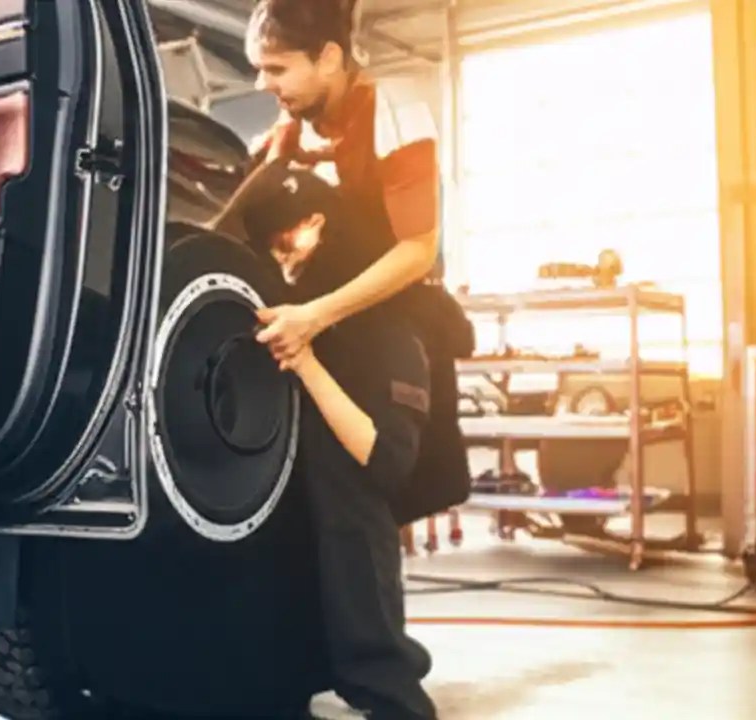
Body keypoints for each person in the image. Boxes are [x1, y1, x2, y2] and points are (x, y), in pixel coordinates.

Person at [219, 1, 475, 717]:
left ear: (330, 57)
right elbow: (243, 215)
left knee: (356, 492)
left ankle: (388, 692)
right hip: (323, 322)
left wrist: (315, 317)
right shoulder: (292, 128)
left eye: (277, 68)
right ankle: (300, 660)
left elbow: (417, 251)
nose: (267, 83)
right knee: (297, 495)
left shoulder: (395, 113)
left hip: (391, 324)